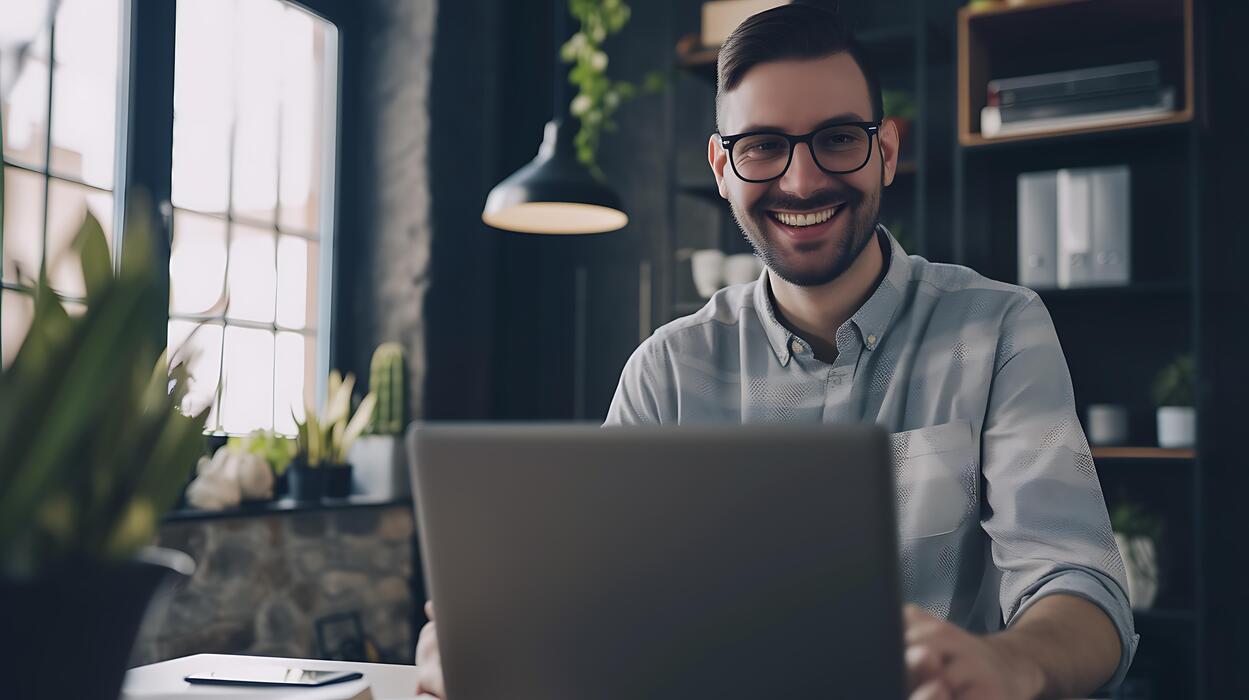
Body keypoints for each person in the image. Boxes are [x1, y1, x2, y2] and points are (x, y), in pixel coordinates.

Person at [417, 5, 1135, 698]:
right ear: (724, 168)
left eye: (837, 138)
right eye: (761, 145)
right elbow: (601, 601)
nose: (800, 181)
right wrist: (487, 641)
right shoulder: (664, 372)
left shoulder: (1002, 327)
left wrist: (1008, 664)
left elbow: (1084, 592)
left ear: (884, 150)